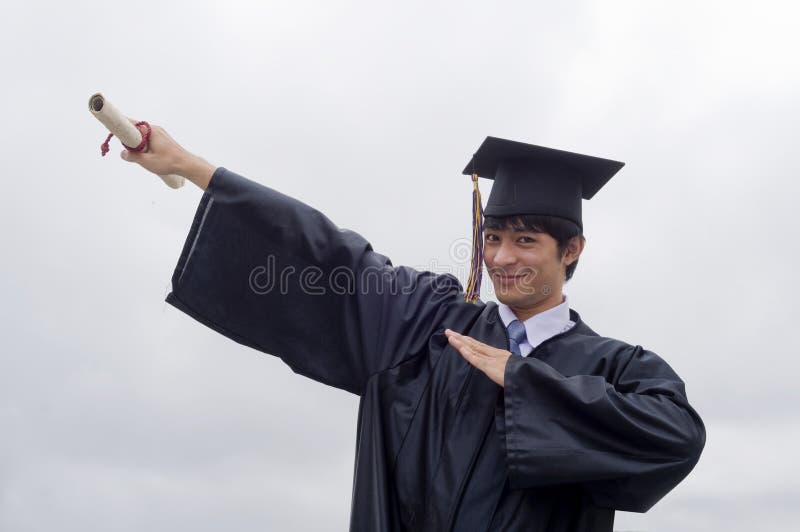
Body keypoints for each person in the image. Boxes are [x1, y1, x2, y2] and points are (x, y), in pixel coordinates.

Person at [121, 127, 705, 531]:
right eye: (493, 238)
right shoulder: (428, 324)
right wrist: (189, 166)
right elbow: (333, 257)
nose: (502, 258)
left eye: (525, 241)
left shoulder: (615, 368)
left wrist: (525, 380)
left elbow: (676, 437)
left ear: (571, 249)